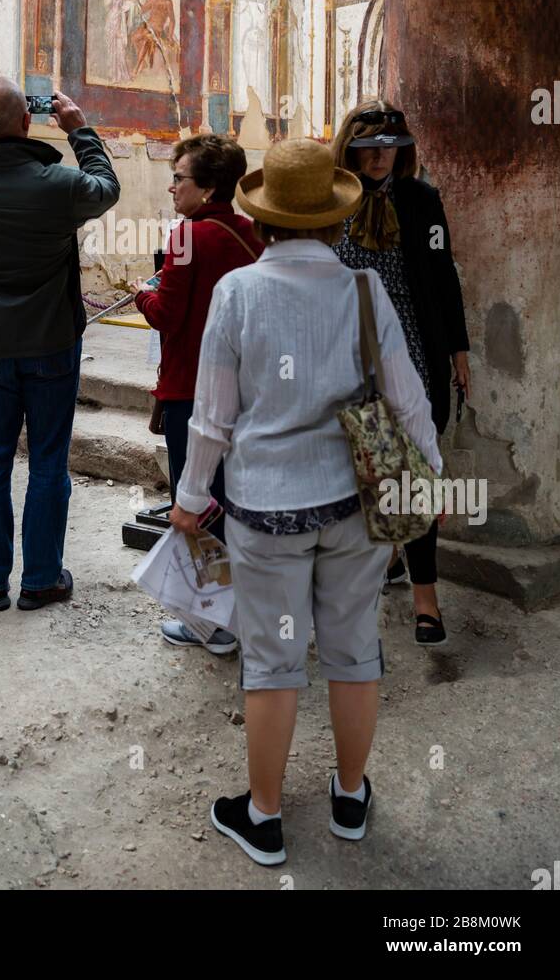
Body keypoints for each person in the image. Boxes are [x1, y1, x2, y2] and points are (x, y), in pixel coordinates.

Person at [168, 138, 442, 866]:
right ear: (334, 220)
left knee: (273, 659)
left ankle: (263, 817)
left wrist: (191, 497)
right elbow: (408, 396)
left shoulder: (238, 293)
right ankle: (349, 797)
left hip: (265, 511)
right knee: (354, 647)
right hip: (356, 506)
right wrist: (433, 477)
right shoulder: (363, 289)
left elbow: (212, 416)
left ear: (263, 221)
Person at [0, 77, 120, 613]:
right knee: (46, 464)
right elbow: (105, 188)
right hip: (51, 347)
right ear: (27, 121)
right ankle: (40, 579)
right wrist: (80, 131)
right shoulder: (57, 185)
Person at [331, 100, 470, 646]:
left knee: (413, 475)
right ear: (352, 148)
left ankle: (426, 602)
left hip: (414, 353)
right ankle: (380, 563)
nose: (381, 157)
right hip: (347, 359)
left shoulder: (421, 201)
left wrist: (458, 352)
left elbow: (444, 277)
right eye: (370, 147)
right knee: (367, 470)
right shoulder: (333, 200)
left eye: (391, 147)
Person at [129, 133, 260, 655]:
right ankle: (243, 611)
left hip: (194, 387)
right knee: (234, 500)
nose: (171, 186)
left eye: (179, 177)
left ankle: (215, 621)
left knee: (201, 504)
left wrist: (144, 292)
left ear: (207, 188)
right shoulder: (254, 232)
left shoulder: (186, 236)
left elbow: (168, 316)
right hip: (247, 386)